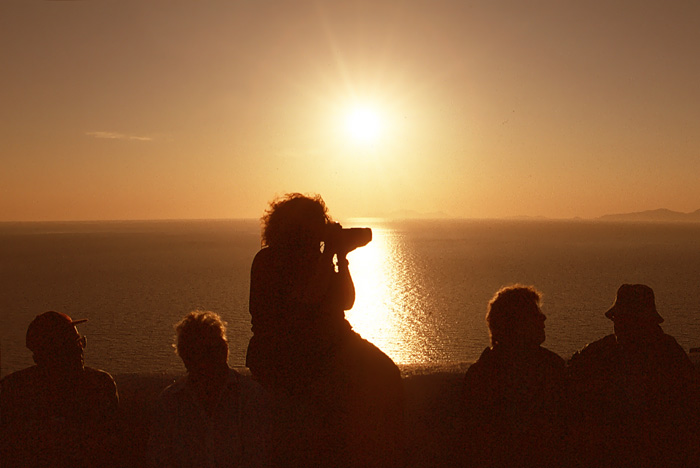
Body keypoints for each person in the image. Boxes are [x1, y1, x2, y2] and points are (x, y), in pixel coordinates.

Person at [246, 193, 405, 468]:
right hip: (287, 351)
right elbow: (306, 299)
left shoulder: (316, 258)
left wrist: (341, 258)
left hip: (330, 346)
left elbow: (346, 301)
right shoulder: (269, 261)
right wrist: (329, 253)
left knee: (386, 372)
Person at [568, 284, 700, 467]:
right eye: (617, 319)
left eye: (625, 319)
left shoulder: (669, 354)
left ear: (645, 321)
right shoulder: (599, 352)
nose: (618, 325)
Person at [461, 285, 566, 468]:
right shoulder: (550, 367)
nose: (543, 317)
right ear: (514, 324)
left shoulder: (482, 373)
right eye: (534, 314)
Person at [148, 311, 269, 468]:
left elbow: (258, 457)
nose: (204, 361)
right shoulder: (170, 402)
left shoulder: (250, 397)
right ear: (185, 356)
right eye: (195, 352)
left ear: (223, 350)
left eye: (209, 350)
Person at [0, 311, 119, 468]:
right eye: (70, 345)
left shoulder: (101, 385)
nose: (80, 350)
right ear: (43, 355)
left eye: (80, 342)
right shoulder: (14, 391)